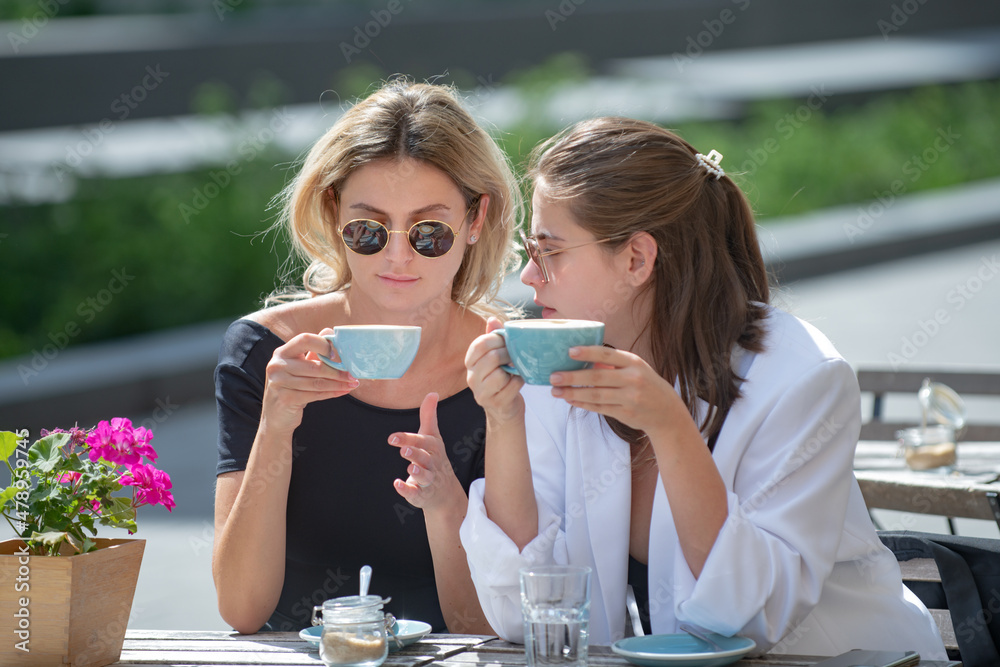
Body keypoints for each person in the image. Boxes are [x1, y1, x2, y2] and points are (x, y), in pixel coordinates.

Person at [461, 117, 947, 659]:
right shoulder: (562, 363)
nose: (528, 277)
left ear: (637, 259)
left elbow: (753, 617)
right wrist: (504, 419)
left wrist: (670, 427)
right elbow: (524, 610)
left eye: (549, 252)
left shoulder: (804, 379)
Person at [213, 79, 521, 635]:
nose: (397, 256)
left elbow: (488, 629)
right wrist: (276, 428)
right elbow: (241, 607)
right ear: (334, 215)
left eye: (429, 232)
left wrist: (447, 505)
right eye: (368, 230)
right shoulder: (264, 353)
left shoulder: (505, 367)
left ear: (475, 221)